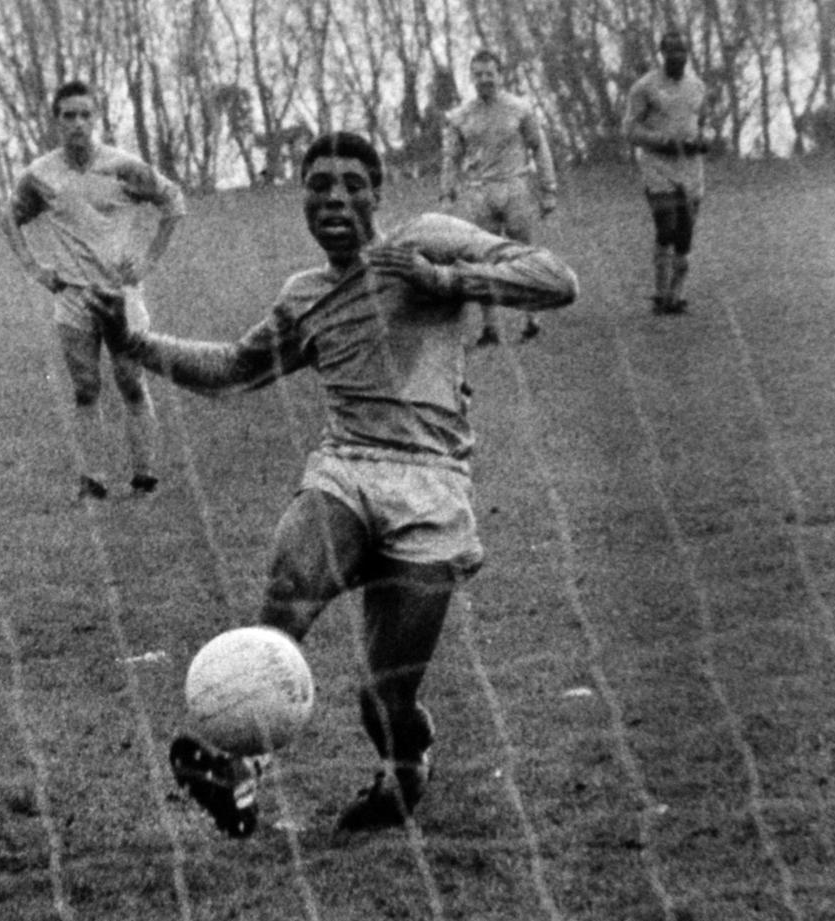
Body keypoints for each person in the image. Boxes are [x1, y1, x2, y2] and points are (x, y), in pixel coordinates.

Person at [88, 131, 578, 836]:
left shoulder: (430, 239)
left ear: (377, 193)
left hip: (433, 487)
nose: (335, 197)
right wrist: (134, 342)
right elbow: (234, 369)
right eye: (319, 184)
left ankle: (407, 766)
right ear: (304, 200)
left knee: (385, 698)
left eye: (352, 181)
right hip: (346, 467)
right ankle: (236, 768)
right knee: (292, 578)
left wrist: (450, 282)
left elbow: (557, 280)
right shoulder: (307, 295)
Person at [3, 79, 187, 499]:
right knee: (85, 387)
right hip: (71, 298)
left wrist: (148, 260)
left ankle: (144, 476)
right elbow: (9, 217)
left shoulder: (124, 167)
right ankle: (93, 479)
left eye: (86, 115)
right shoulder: (40, 175)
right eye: (69, 116)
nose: (78, 124)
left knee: (130, 382)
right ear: (56, 121)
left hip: (120, 296)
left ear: (96, 119)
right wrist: (35, 267)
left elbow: (173, 203)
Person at [441, 49, 559, 345]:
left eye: (489, 73)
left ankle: (532, 319)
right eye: (478, 75)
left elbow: (539, 148)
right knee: (483, 259)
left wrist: (548, 190)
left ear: (500, 75)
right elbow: (451, 158)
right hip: (480, 191)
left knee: (523, 255)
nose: (484, 80)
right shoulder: (461, 116)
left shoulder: (520, 109)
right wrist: (447, 193)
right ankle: (490, 327)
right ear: (471, 78)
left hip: (516, 187)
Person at [622, 27, 709, 314]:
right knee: (667, 226)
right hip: (657, 168)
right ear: (661, 53)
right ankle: (660, 295)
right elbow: (630, 129)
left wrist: (703, 140)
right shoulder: (644, 87)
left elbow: (704, 122)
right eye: (671, 50)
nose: (677, 56)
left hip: (690, 170)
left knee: (685, 234)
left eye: (682, 50)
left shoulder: (697, 87)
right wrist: (662, 142)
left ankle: (677, 295)